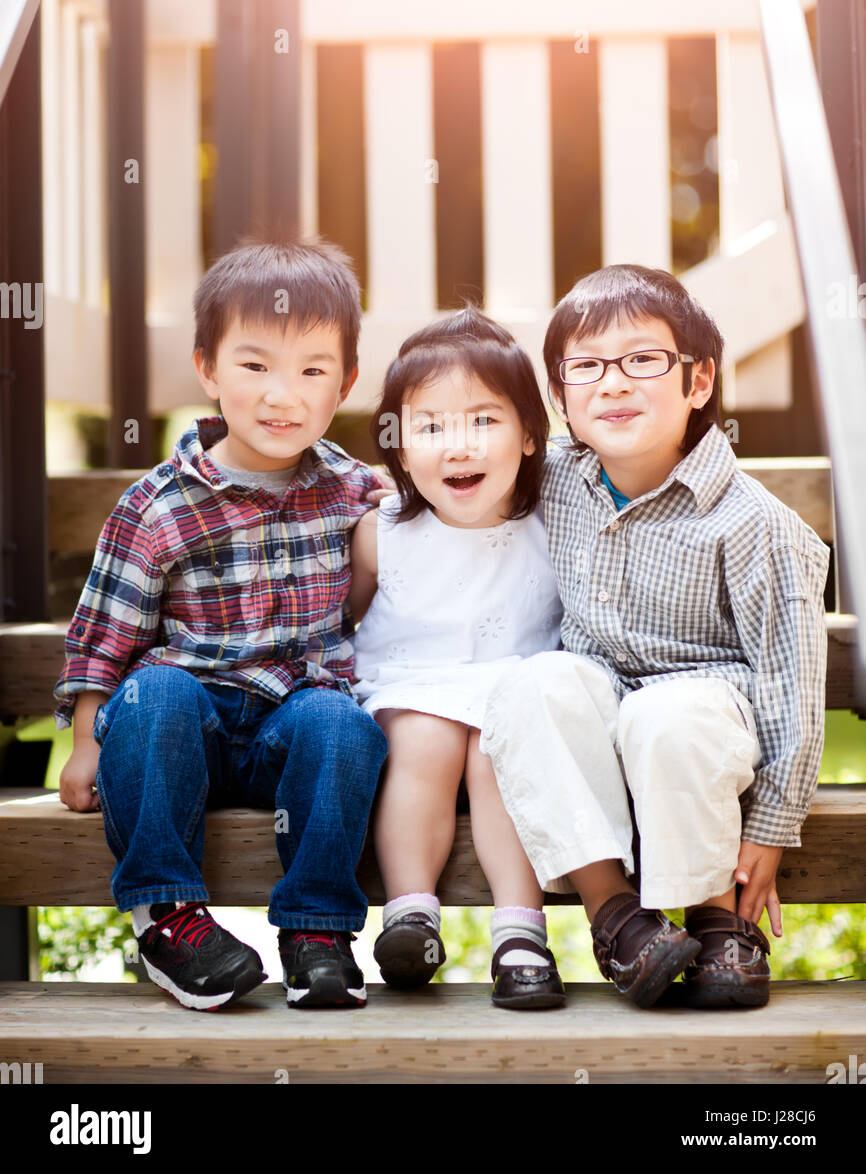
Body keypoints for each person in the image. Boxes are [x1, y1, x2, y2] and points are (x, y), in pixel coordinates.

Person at [480, 264, 830, 1008]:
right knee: (532, 684)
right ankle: (620, 920)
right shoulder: (558, 481)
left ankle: (715, 922)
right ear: (560, 398)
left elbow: (792, 684)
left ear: (698, 381)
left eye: (643, 360)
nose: (613, 383)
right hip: (602, 715)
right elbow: (454, 458)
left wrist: (770, 828)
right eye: (586, 366)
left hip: (702, 729)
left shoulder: (751, 521)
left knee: (664, 715)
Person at [55, 238, 388, 1011]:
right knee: (157, 693)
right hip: (187, 723)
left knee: (344, 723)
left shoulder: (351, 490)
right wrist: (81, 744)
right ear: (207, 368)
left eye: (312, 370)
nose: (283, 395)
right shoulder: (158, 504)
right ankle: (168, 915)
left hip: (295, 721)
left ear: (346, 382)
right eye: (254, 366)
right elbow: (105, 633)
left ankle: (317, 931)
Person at [350, 307, 566, 1008]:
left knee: (498, 748)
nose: (457, 446)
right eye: (431, 427)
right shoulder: (382, 531)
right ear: (400, 447)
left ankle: (519, 931)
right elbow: (342, 621)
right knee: (424, 741)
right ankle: (411, 914)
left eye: (483, 420)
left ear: (530, 434)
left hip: (516, 686)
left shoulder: (552, 518)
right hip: (414, 688)